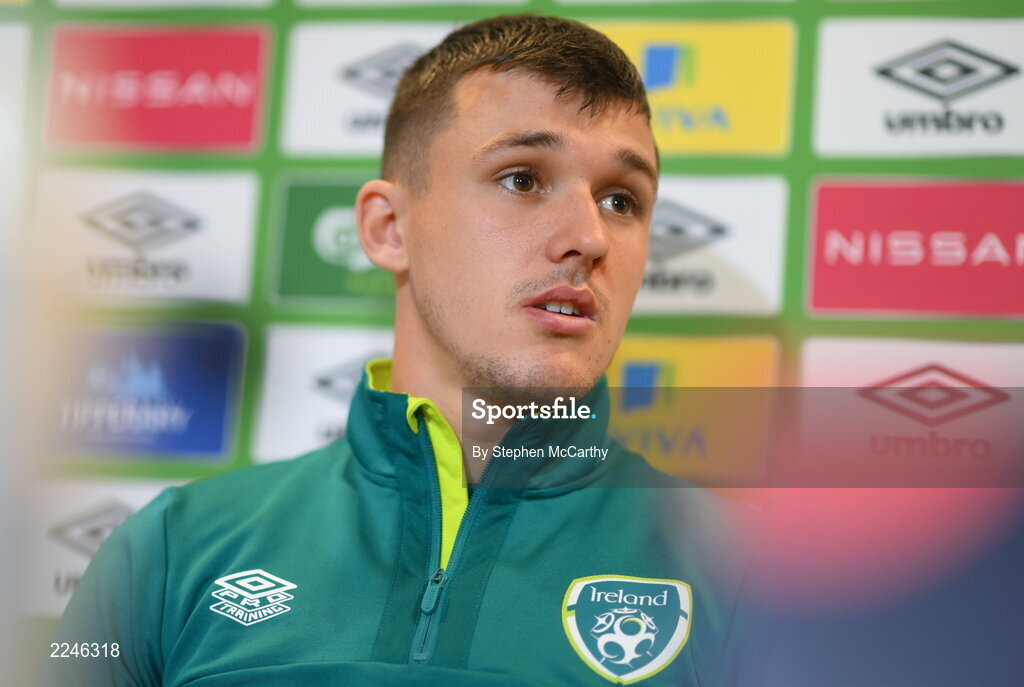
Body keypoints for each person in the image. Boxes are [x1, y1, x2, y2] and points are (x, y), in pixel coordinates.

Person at [42, 15, 756, 686]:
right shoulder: (169, 554)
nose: (588, 236)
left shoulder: (755, 582)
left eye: (621, 199)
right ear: (389, 228)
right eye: (522, 178)